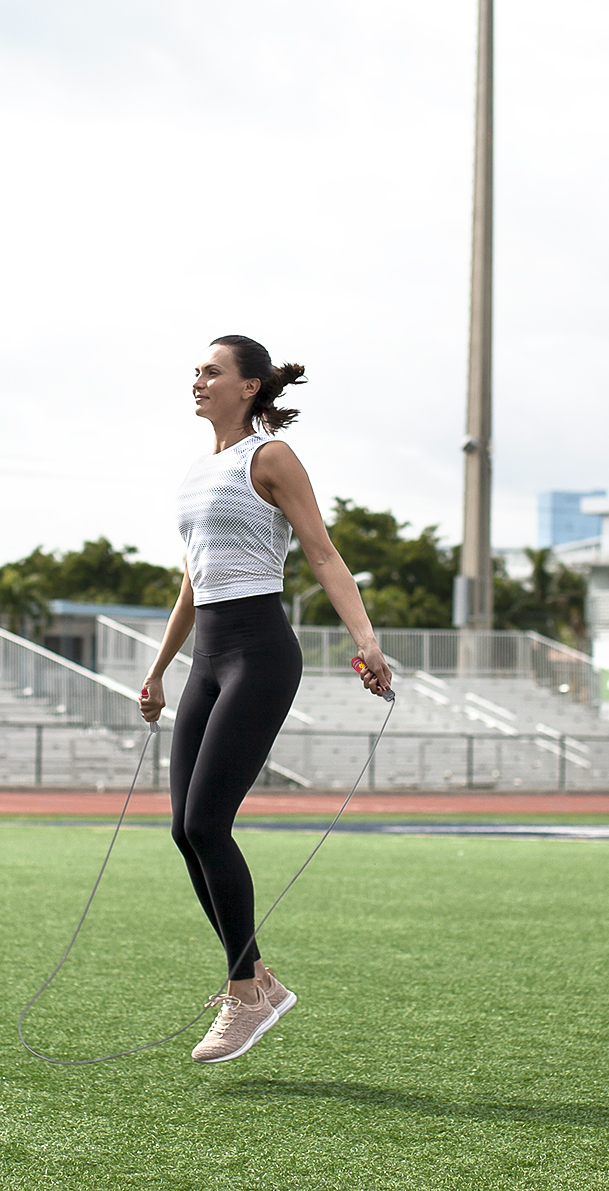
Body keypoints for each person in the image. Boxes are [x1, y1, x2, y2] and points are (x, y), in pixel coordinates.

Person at [138, 335, 394, 1066]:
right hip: (209, 657)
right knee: (186, 831)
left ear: (249, 386)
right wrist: (159, 670)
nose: (198, 380)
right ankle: (256, 982)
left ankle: (245, 992)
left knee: (208, 823)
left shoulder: (269, 457)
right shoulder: (196, 473)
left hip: (259, 652)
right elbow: (193, 582)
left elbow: (321, 550)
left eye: (212, 371)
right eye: (196, 371)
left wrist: (367, 639)